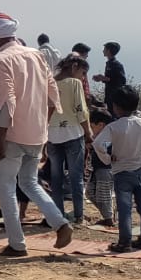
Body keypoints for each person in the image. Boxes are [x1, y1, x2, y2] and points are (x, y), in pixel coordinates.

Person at [0, 12, 74, 257]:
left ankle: (17, 244)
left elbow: (7, 103)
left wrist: (0, 140)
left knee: (7, 187)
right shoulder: (35, 55)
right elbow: (53, 96)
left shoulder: (0, 60)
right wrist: (42, 129)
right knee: (30, 183)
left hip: (12, 134)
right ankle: (60, 223)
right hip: (37, 133)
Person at [91, 86, 141, 253]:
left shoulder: (113, 127)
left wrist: (107, 158)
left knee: (124, 208)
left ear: (116, 107)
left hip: (122, 171)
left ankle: (124, 241)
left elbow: (98, 144)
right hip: (140, 169)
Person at [47, 56, 93, 223]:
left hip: (52, 134)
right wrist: (88, 131)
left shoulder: (50, 81)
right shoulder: (75, 84)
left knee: (56, 178)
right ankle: (79, 215)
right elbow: (80, 109)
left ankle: (58, 214)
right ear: (75, 67)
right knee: (76, 177)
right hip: (73, 133)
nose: (83, 77)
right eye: (83, 72)